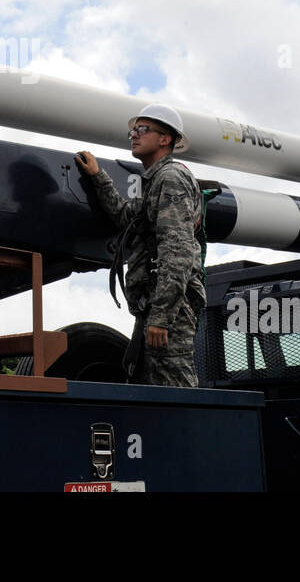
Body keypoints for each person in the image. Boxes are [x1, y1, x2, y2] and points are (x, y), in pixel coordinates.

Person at [74, 104, 209, 387]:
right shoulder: (156, 182)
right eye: (133, 130)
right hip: (157, 305)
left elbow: (178, 251)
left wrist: (161, 317)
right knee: (153, 386)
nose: (134, 134)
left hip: (169, 308)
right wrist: (99, 177)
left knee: (173, 389)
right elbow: (126, 216)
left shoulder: (170, 178)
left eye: (143, 129)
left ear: (166, 139)